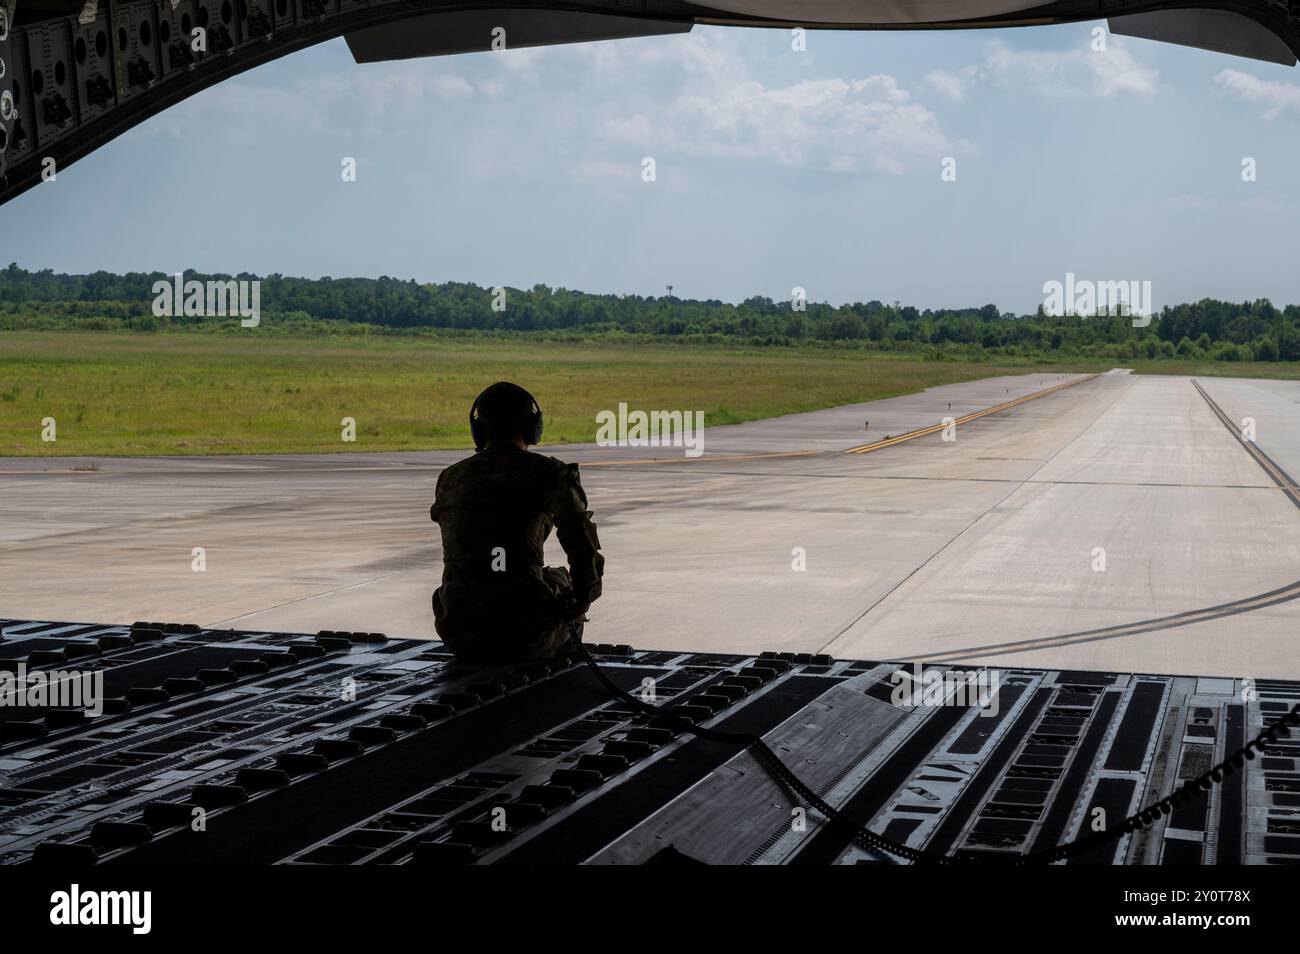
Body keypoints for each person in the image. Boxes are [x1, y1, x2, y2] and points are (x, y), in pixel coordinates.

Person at [430, 382, 605, 664]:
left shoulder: (451, 477)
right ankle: (562, 680)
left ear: (479, 429)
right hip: (524, 635)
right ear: (533, 426)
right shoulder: (548, 474)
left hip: (458, 630)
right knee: (562, 579)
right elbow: (577, 535)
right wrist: (585, 596)